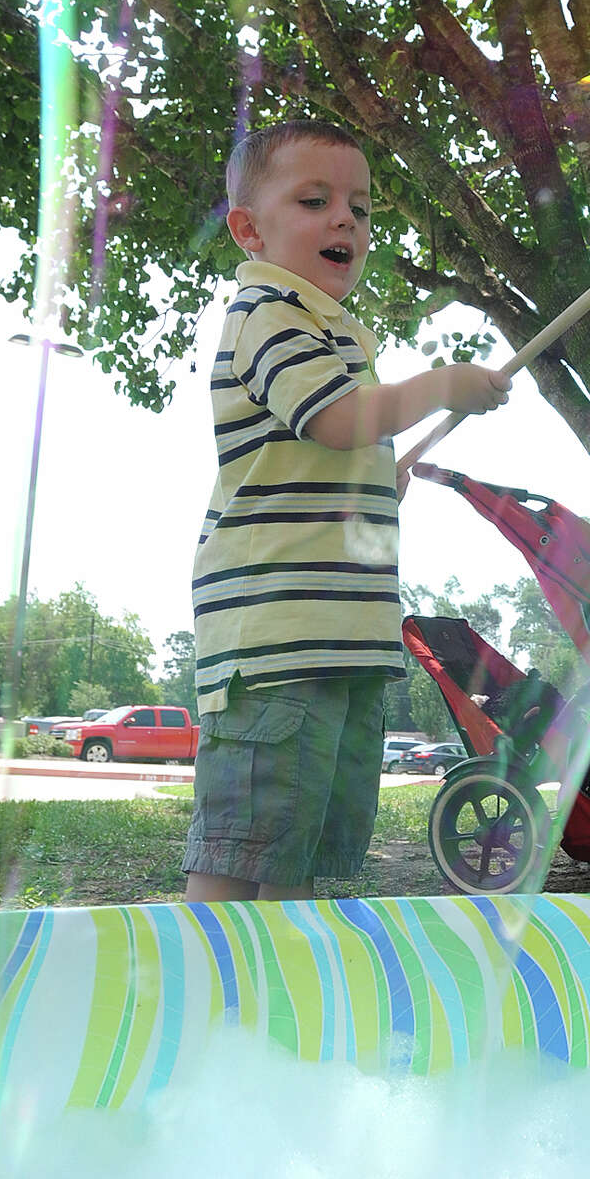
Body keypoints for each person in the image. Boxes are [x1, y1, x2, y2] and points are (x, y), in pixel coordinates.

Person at [183, 119, 510, 902]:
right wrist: (437, 386)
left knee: (300, 857)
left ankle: (272, 1012)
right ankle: (197, 999)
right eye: (315, 199)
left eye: (360, 209)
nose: (345, 220)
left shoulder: (333, 332)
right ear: (248, 228)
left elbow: (332, 443)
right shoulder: (268, 312)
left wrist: (377, 475)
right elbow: (335, 419)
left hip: (340, 643)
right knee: (241, 854)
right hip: (277, 644)